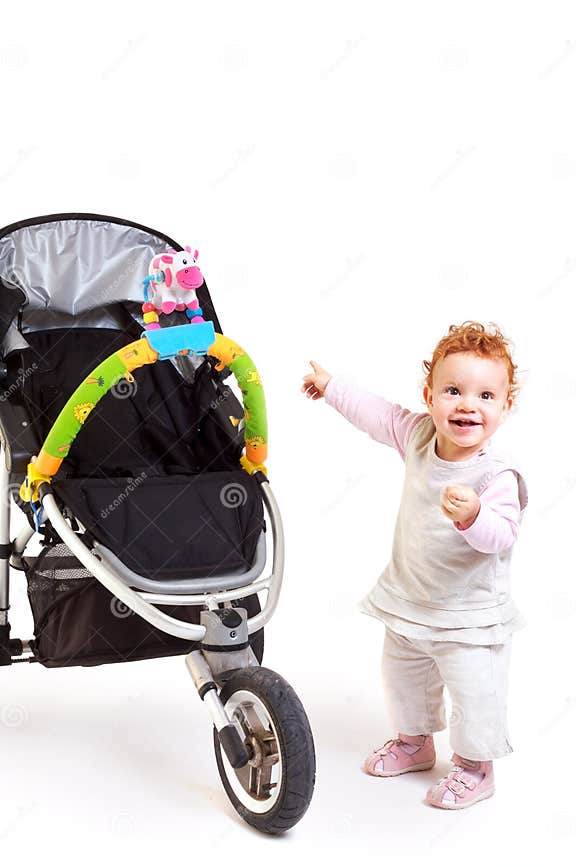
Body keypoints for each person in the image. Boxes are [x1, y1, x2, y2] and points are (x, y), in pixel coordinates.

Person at [301, 321, 528, 810]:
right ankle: (414, 741)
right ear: (430, 396)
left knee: (474, 694)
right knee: (403, 678)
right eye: (453, 390)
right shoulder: (420, 436)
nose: (468, 404)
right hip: (409, 601)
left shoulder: (497, 474)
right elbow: (378, 415)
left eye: (486, 395)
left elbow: (503, 534)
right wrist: (333, 386)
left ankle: (475, 767)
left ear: (505, 407)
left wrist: (474, 516)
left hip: (469, 618)